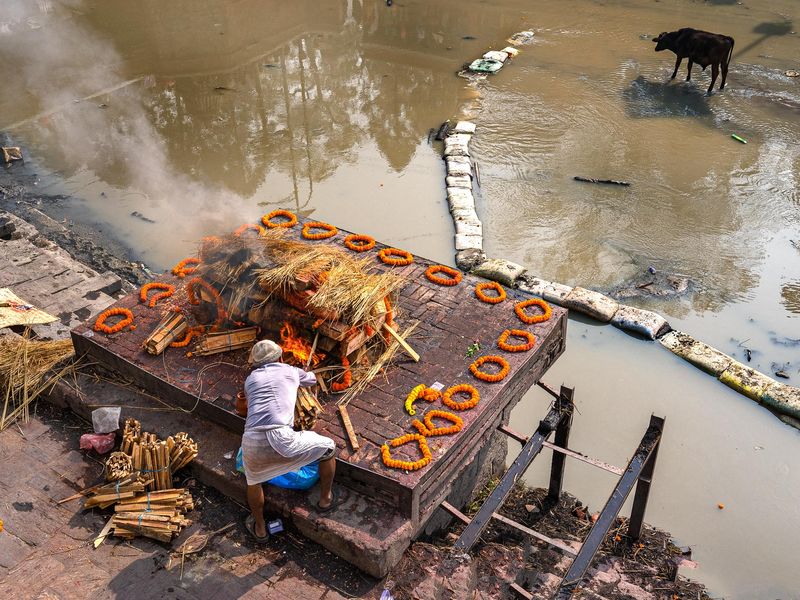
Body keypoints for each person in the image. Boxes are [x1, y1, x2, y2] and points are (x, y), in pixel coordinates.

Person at [241, 339, 338, 542]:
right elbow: (311, 379)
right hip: (280, 437)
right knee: (328, 449)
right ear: (280, 357)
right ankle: (325, 500)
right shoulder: (289, 370)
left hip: (250, 439)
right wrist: (303, 373)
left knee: (253, 479)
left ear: (255, 363)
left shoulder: (250, 380)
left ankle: (260, 529)